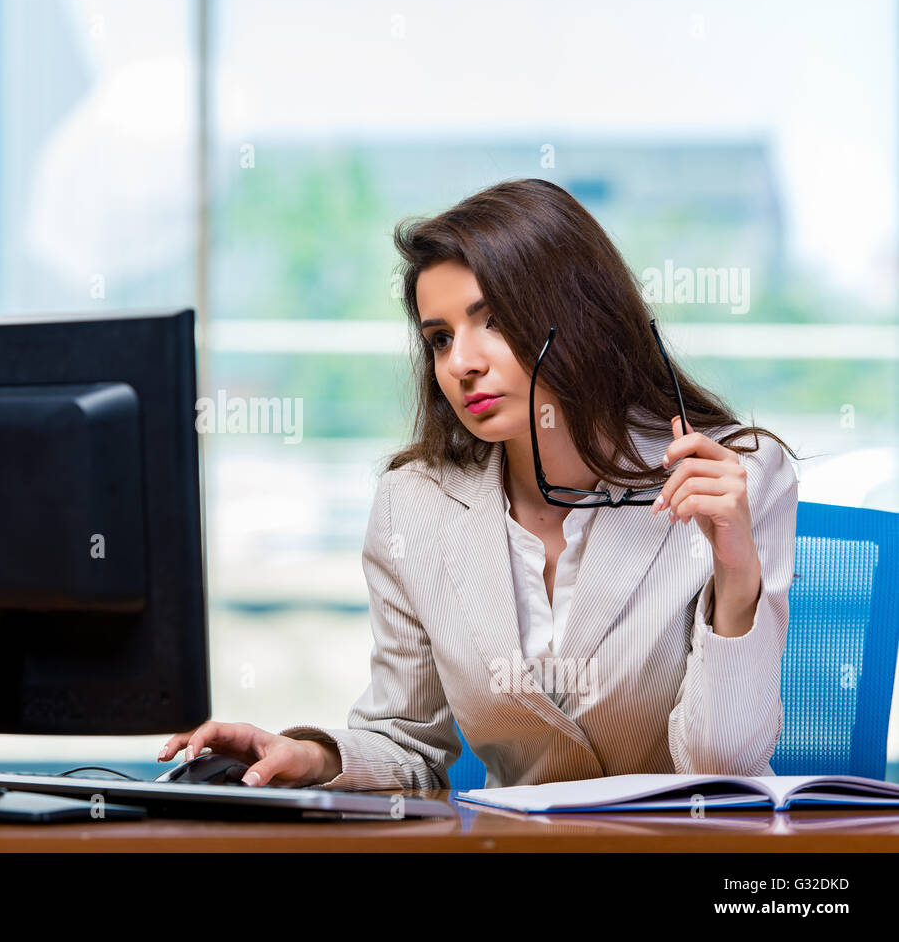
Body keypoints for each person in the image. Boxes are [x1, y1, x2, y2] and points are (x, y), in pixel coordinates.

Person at [159, 178, 801, 790]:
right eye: (439, 338)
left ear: (580, 316)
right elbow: (407, 744)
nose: (461, 363)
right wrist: (313, 757)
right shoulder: (415, 504)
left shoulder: (737, 475)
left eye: (491, 320)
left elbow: (723, 769)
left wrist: (737, 572)